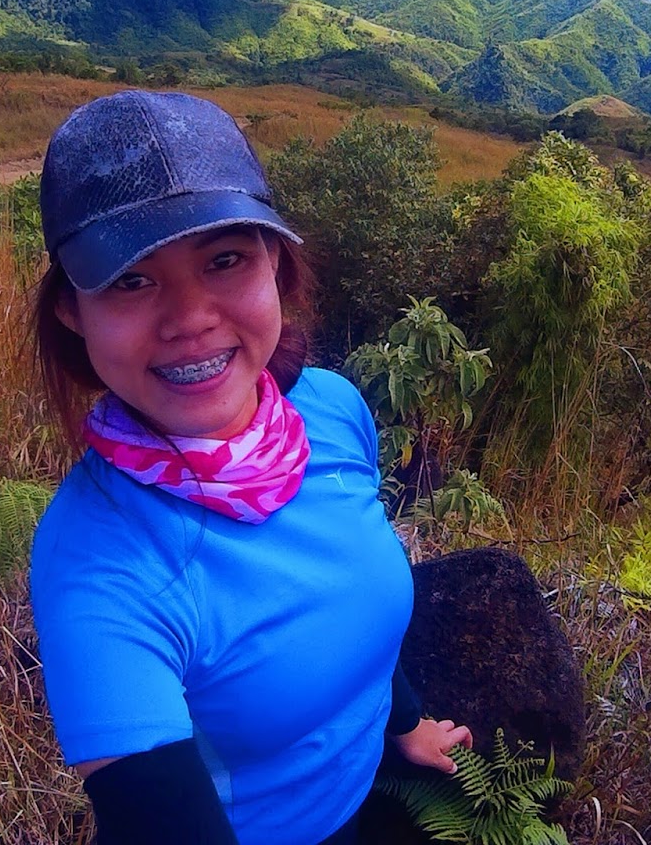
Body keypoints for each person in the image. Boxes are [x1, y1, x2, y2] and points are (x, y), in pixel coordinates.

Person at [28, 90, 472, 845]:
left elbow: (345, 590)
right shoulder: (100, 567)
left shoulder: (330, 412)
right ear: (72, 311)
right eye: (132, 280)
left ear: (276, 266)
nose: (190, 317)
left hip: (365, 796)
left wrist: (403, 722)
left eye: (224, 259)